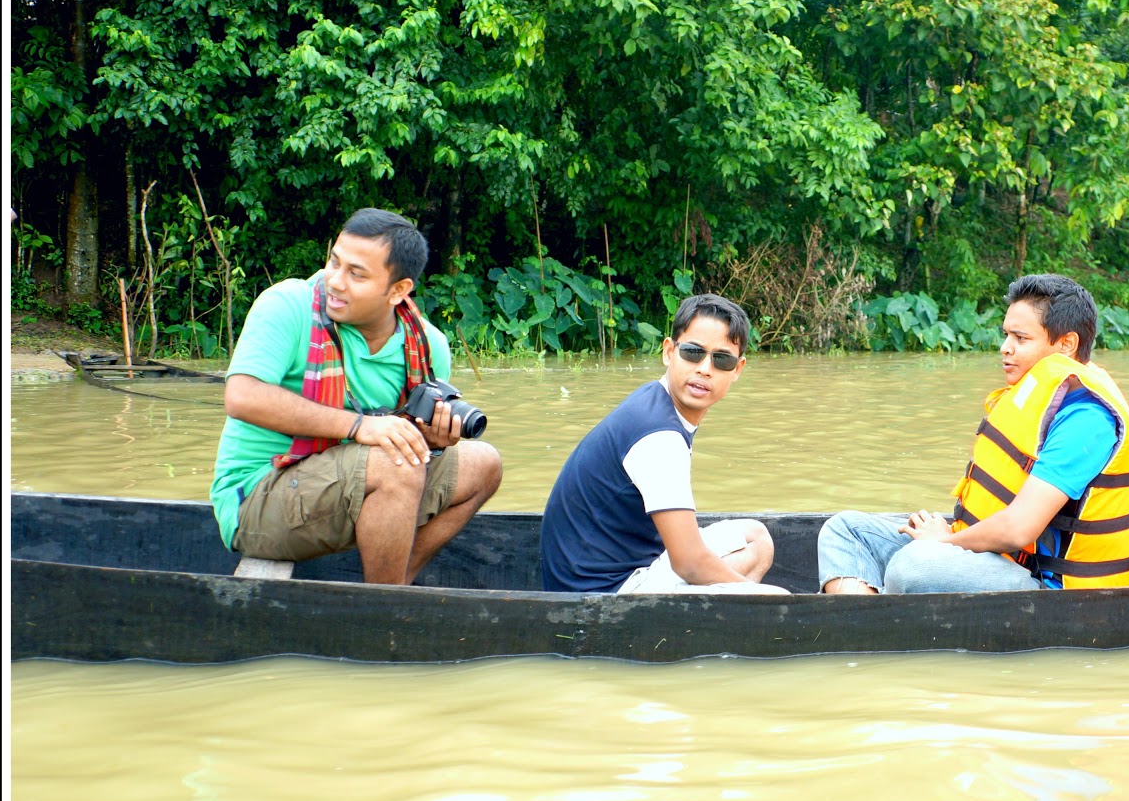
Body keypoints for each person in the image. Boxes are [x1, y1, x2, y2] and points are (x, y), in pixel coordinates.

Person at [210, 208, 503, 585]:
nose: (335, 281)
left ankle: (391, 584)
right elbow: (241, 397)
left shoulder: (429, 344)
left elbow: (411, 444)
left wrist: (432, 442)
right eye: (334, 262)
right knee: (394, 464)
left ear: (398, 290)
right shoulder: (286, 305)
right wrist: (360, 426)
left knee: (484, 463)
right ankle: (386, 609)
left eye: (356, 274)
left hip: (349, 487)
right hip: (259, 499)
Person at [818, 274, 1129, 594]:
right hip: (993, 559)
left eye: (1021, 339)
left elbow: (1019, 529)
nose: (1005, 348)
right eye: (1006, 336)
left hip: (1045, 589)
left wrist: (944, 542)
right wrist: (948, 541)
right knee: (845, 529)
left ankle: (867, 622)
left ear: (1066, 344)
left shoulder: (1087, 418)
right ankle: (867, 621)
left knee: (912, 565)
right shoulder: (1044, 399)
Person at [540, 293, 786, 594]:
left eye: (721, 359)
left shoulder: (655, 400)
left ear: (737, 369)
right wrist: (768, 596)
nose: (705, 369)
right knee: (769, 592)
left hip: (608, 574)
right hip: (601, 595)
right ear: (669, 352)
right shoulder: (659, 438)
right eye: (693, 352)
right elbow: (689, 563)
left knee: (757, 539)